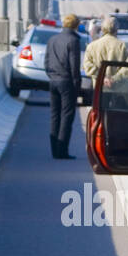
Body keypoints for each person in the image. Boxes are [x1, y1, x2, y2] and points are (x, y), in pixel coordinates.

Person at [44, 14, 81, 160]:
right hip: (66, 82)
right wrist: (76, 85)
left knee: (54, 116)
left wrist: (52, 76)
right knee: (67, 116)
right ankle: (62, 151)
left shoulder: (52, 40)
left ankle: (55, 150)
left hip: (53, 81)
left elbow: (46, 63)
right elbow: (74, 67)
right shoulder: (74, 40)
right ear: (76, 25)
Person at [82, 15, 128, 109]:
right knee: (118, 119)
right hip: (120, 90)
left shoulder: (92, 46)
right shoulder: (125, 46)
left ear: (102, 29)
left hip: (100, 89)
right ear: (116, 29)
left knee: (100, 117)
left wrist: (102, 78)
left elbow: (87, 66)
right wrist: (114, 79)